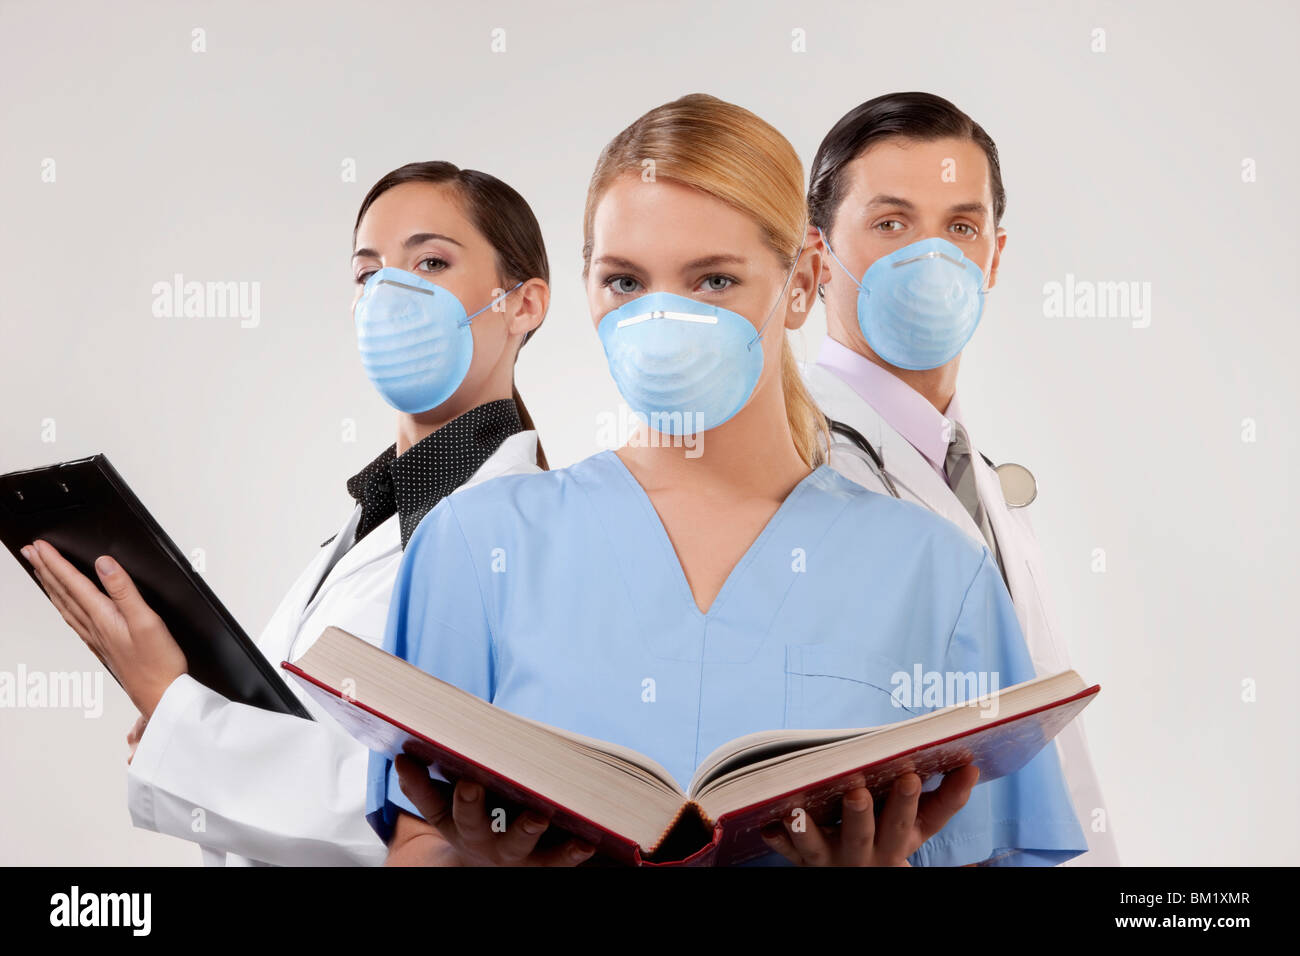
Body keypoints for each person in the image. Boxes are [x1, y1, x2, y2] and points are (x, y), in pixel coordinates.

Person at [364, 93, 1087, 867]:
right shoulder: (477, 546)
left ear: (804, 282)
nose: (663, 321)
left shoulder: (940, 574)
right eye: (625, 283)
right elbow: (417, 841)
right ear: (584, 286)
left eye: (713, 281)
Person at [19, 161, 551, 866]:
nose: (389, 294)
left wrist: (180, 714)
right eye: (368, 274)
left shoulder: (532, 540)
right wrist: (183, 726)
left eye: (430, 262)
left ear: (522, 304)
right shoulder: (364, 526)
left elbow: (446, 819)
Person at [800, 91, 1119, 865]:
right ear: (815, 258)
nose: (930, 255)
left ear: (995, 259)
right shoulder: (794, 467)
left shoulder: (970, 468)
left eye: (961, 227)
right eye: (891, 224)